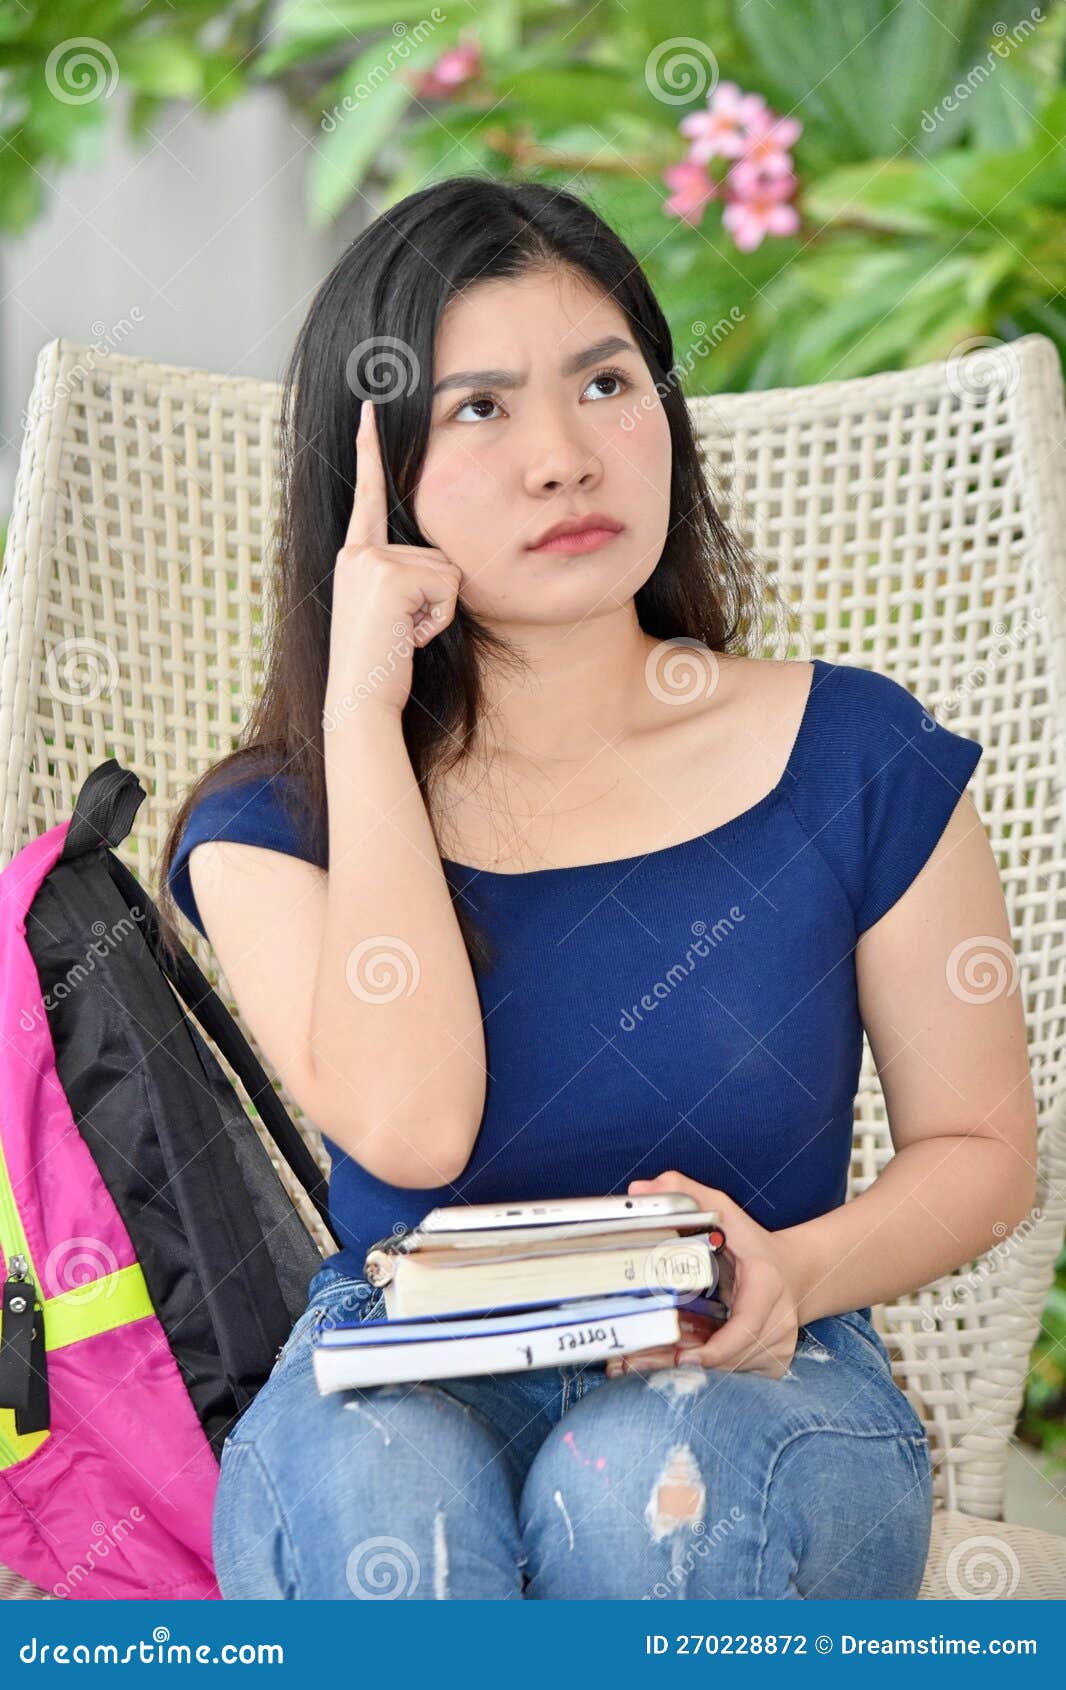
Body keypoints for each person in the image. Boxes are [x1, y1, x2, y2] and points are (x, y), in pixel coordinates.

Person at [157, 175, 1037, 1600]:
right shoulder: (275, 820)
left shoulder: (856, 752)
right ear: (367, 476)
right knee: (392, 1493)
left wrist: (792, 1279)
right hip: (400, 1382)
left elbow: (982, 1148)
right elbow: (413, 1128)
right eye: (479, 408)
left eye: (604, 381)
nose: (564, 457)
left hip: (767, 1379)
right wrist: (365, 726)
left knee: (636, 1485)